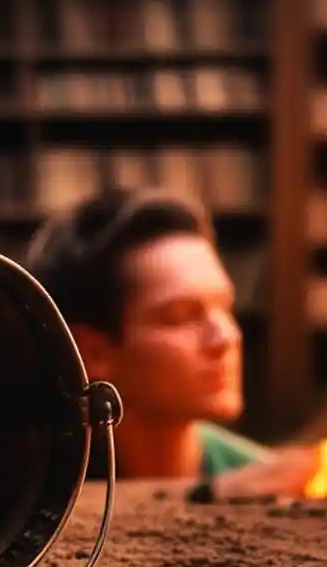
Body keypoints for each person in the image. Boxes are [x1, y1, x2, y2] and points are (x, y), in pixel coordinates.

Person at [24, 187, 310, 497]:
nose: (226, 338)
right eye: (180, 316)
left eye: (225, 307)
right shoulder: (35, 495)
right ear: (93, 352)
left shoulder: (269, 488)